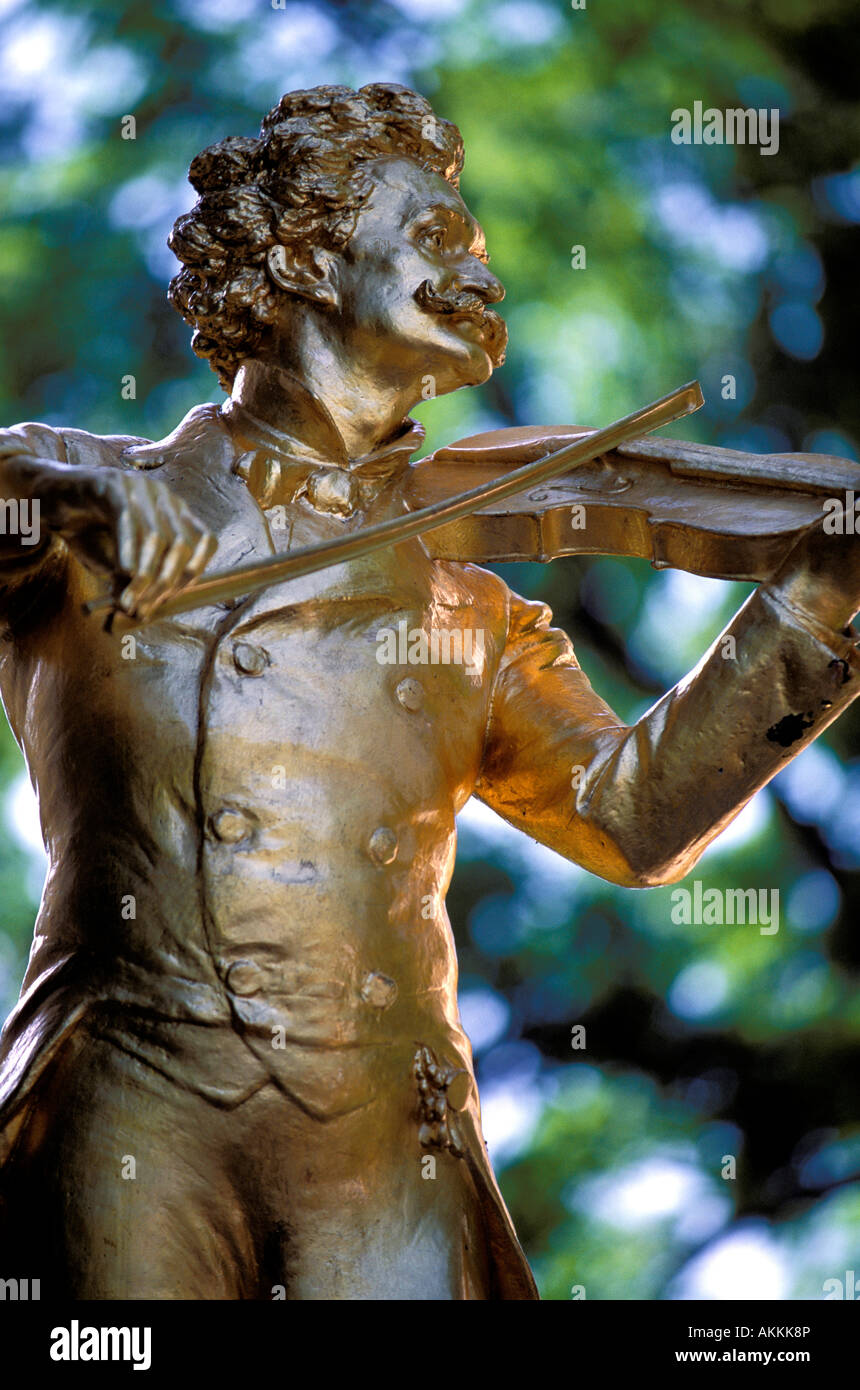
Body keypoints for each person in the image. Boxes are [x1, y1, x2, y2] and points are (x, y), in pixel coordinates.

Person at [0, 83, 856, 1299]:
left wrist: (809, 594)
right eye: (437, 239)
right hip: (123, 1113)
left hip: (385, 1147)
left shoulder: (470, 611)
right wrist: (85, 501)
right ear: (302, 254)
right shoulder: (82, 505)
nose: (482, 277)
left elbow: (629, 815)